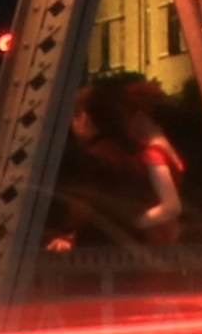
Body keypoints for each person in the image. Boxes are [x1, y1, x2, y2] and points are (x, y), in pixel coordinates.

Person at [48, 73, 189, 275]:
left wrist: (130, 223)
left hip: (152, 240)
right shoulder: (160, 150)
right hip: (164, 239)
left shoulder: (151, 153)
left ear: (140, 116)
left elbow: (171, 205)